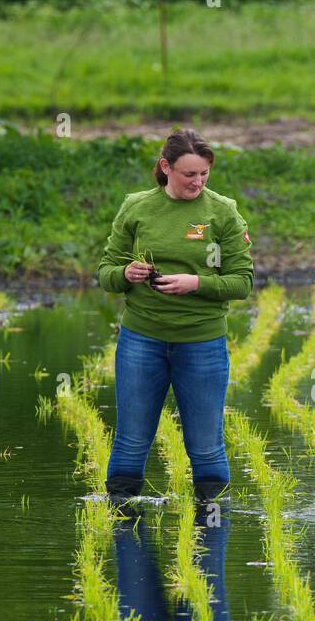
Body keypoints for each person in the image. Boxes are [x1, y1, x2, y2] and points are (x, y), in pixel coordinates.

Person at [95, 128, 254, 510]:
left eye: (204, 174)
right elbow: (106, 270)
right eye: (188, 174)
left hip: (202, 343)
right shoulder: (136, 207)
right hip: (141, 340)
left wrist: (195, 282)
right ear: (166, 168)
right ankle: (123, 521)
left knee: (205, 443)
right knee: (131, 439)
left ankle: (210, 532)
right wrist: (126, 274)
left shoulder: (223, 212)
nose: (197, 182)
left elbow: (242, 282)